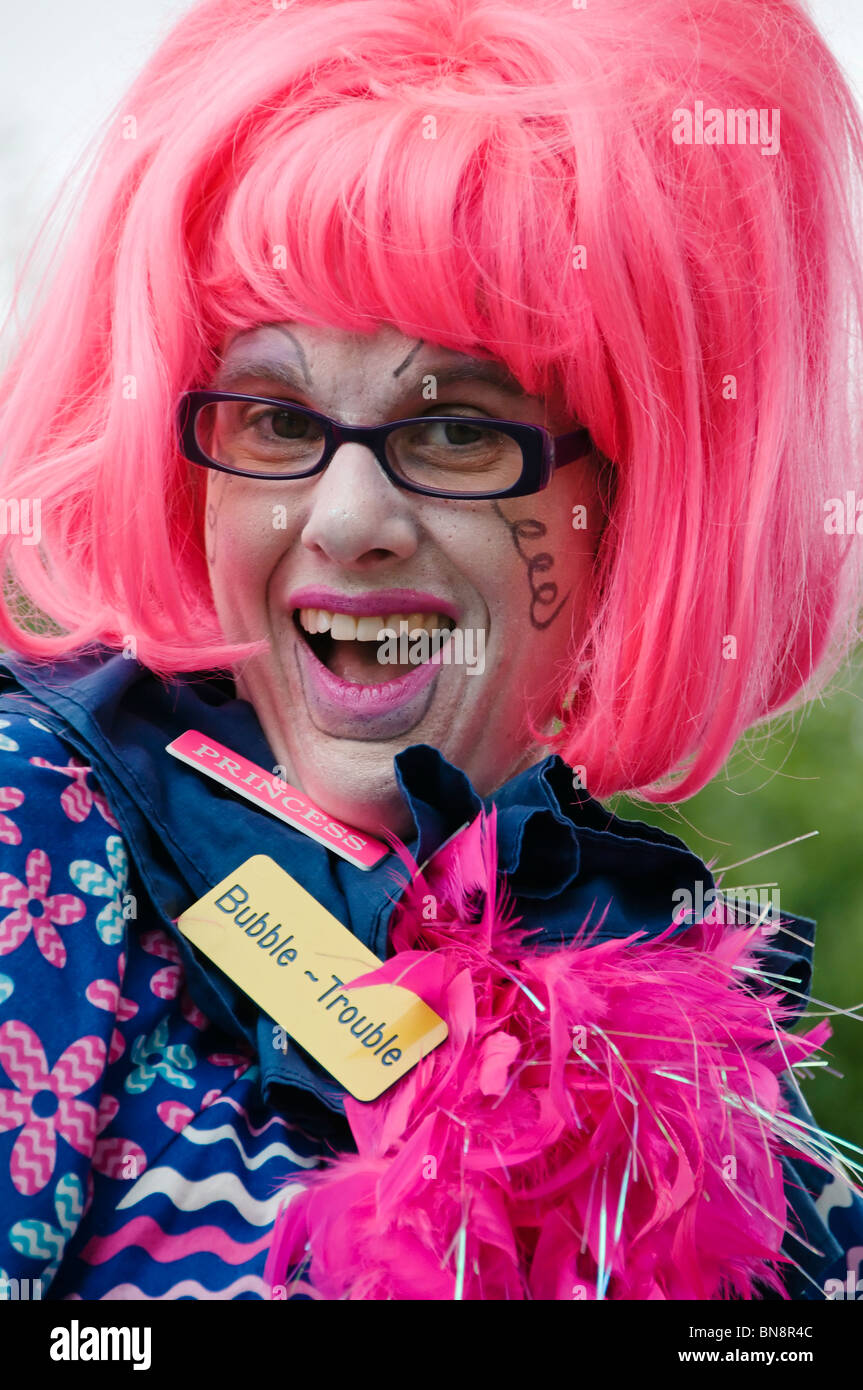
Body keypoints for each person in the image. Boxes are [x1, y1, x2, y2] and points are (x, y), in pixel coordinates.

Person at [0, 0, 861, 1301]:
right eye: (279, 415)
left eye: (458, 428)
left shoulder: (768, 1164)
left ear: (627, 504)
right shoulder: (35, 831)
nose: (346, 518)